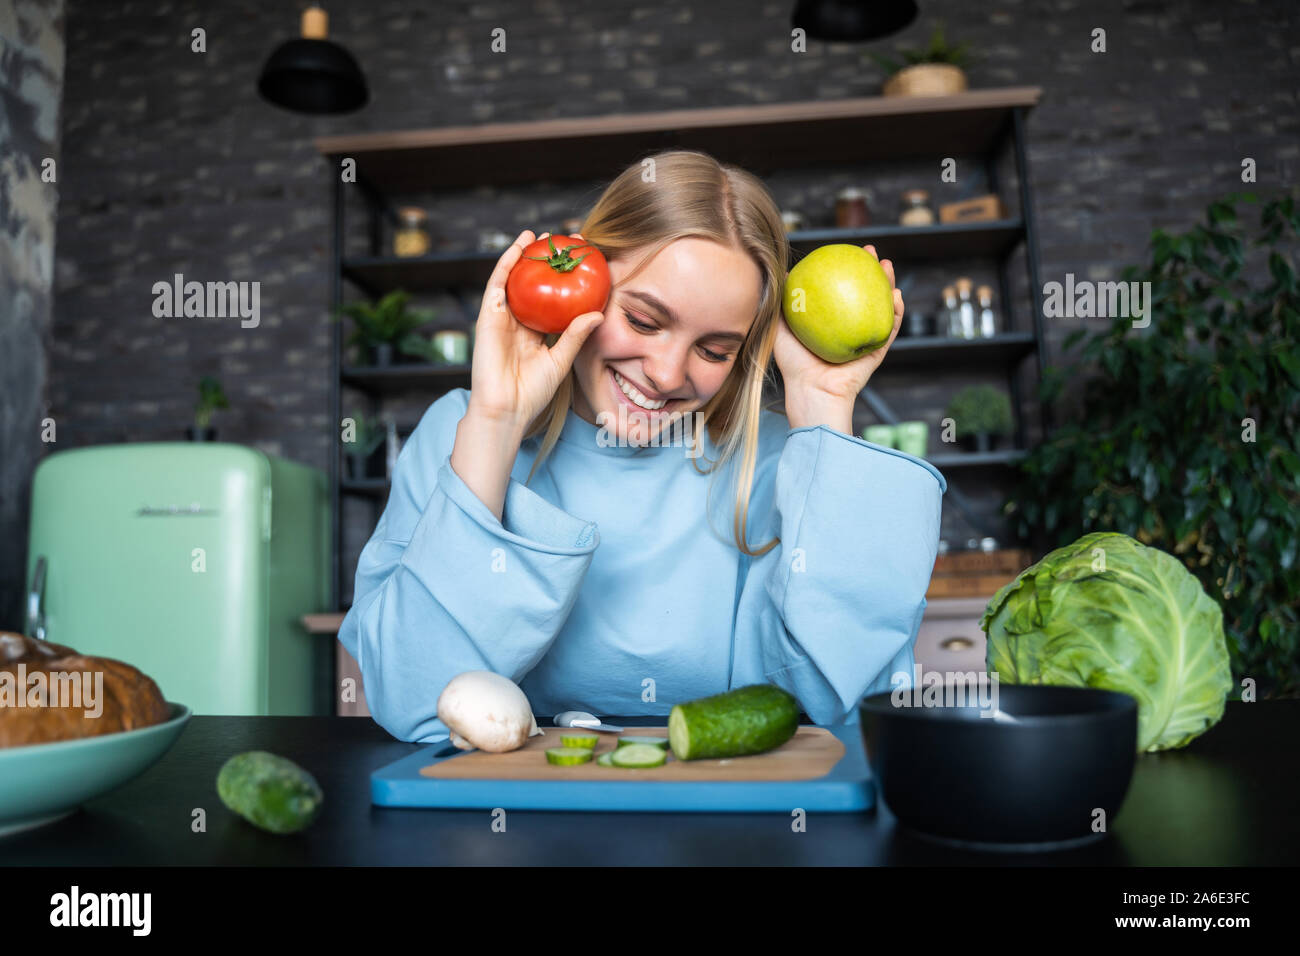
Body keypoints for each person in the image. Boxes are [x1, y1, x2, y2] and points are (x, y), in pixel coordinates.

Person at [337, 149, 946, 743]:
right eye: (645, 320)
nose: (665, 371)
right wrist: (495, 423)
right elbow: (413, 701)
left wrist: (822, 404)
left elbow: (838, 707)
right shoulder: (458, 432)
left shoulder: (779, 459)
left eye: (714, 350)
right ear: (584, 280)